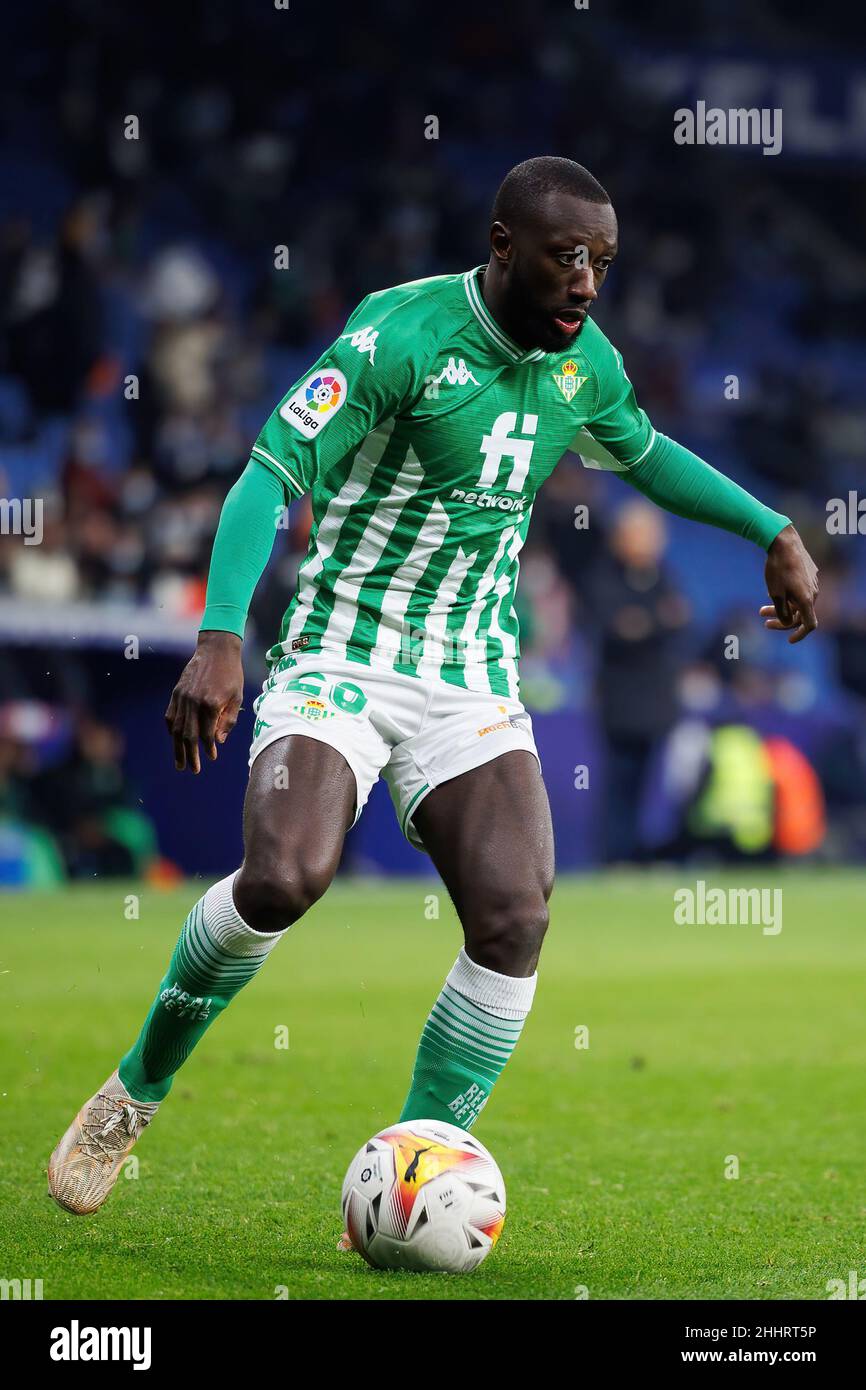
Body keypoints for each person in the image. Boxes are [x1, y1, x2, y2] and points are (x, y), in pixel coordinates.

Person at [48, 156, 819, 1217]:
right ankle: (135, 1087)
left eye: (599, 261)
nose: (586, 282)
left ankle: (419, 1167)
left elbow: (644, 457)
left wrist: (771, 528)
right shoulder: (397, 332)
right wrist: (219, 636)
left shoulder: (582, 362)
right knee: (282, 879)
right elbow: (268, 473)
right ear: (503, 247)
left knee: (513, 917)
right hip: (339, 657)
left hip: (470, 677)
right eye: (565, 258)